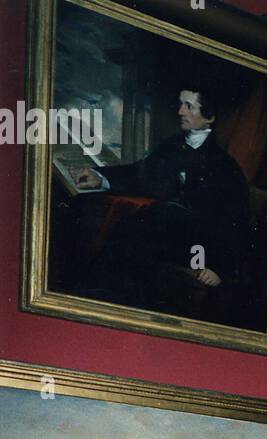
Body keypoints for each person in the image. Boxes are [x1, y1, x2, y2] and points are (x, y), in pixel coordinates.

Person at [75, 88, 250, 315]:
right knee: (128, 229)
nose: (180, 111)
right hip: (161, 230)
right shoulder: (172, 147)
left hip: (197, 247)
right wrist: (100, 177)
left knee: (135, 236)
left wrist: (220, 269)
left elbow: (234, 223)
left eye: (189, 106)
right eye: (181, 104)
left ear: (210, 116)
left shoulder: (225, 166)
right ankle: (94, 304)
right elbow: (140, 172)